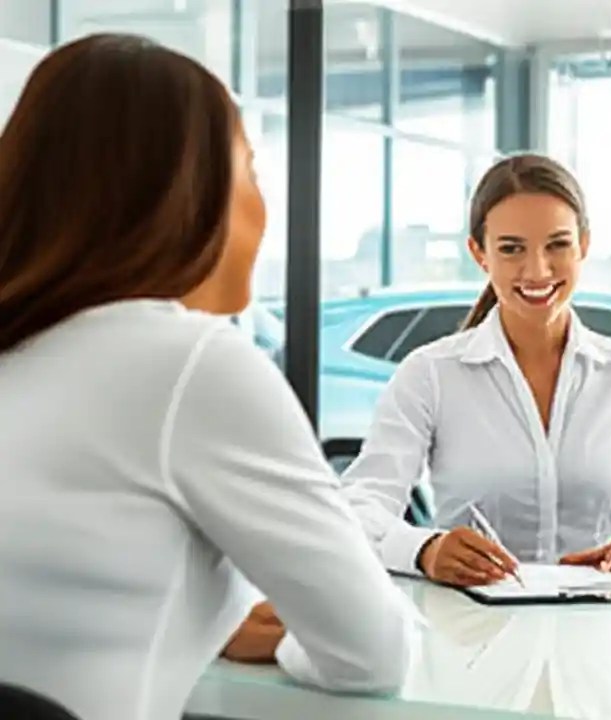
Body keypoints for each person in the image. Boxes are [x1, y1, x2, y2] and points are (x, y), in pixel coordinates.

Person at [0, 34, 419, 720]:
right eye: (250, 169)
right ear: (182, 194)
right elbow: (373, 652)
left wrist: (216, 622)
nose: (264, 204)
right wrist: (276, 643)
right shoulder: (187, 362)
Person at [340, 153, 611, 587]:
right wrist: (424, 550)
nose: (537, 270)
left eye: (557, 245)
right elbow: (358, 509)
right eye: (511, 249)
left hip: (597, 628)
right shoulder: (429, 374)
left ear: (584, 245)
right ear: (479, 254)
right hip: (469, 630)